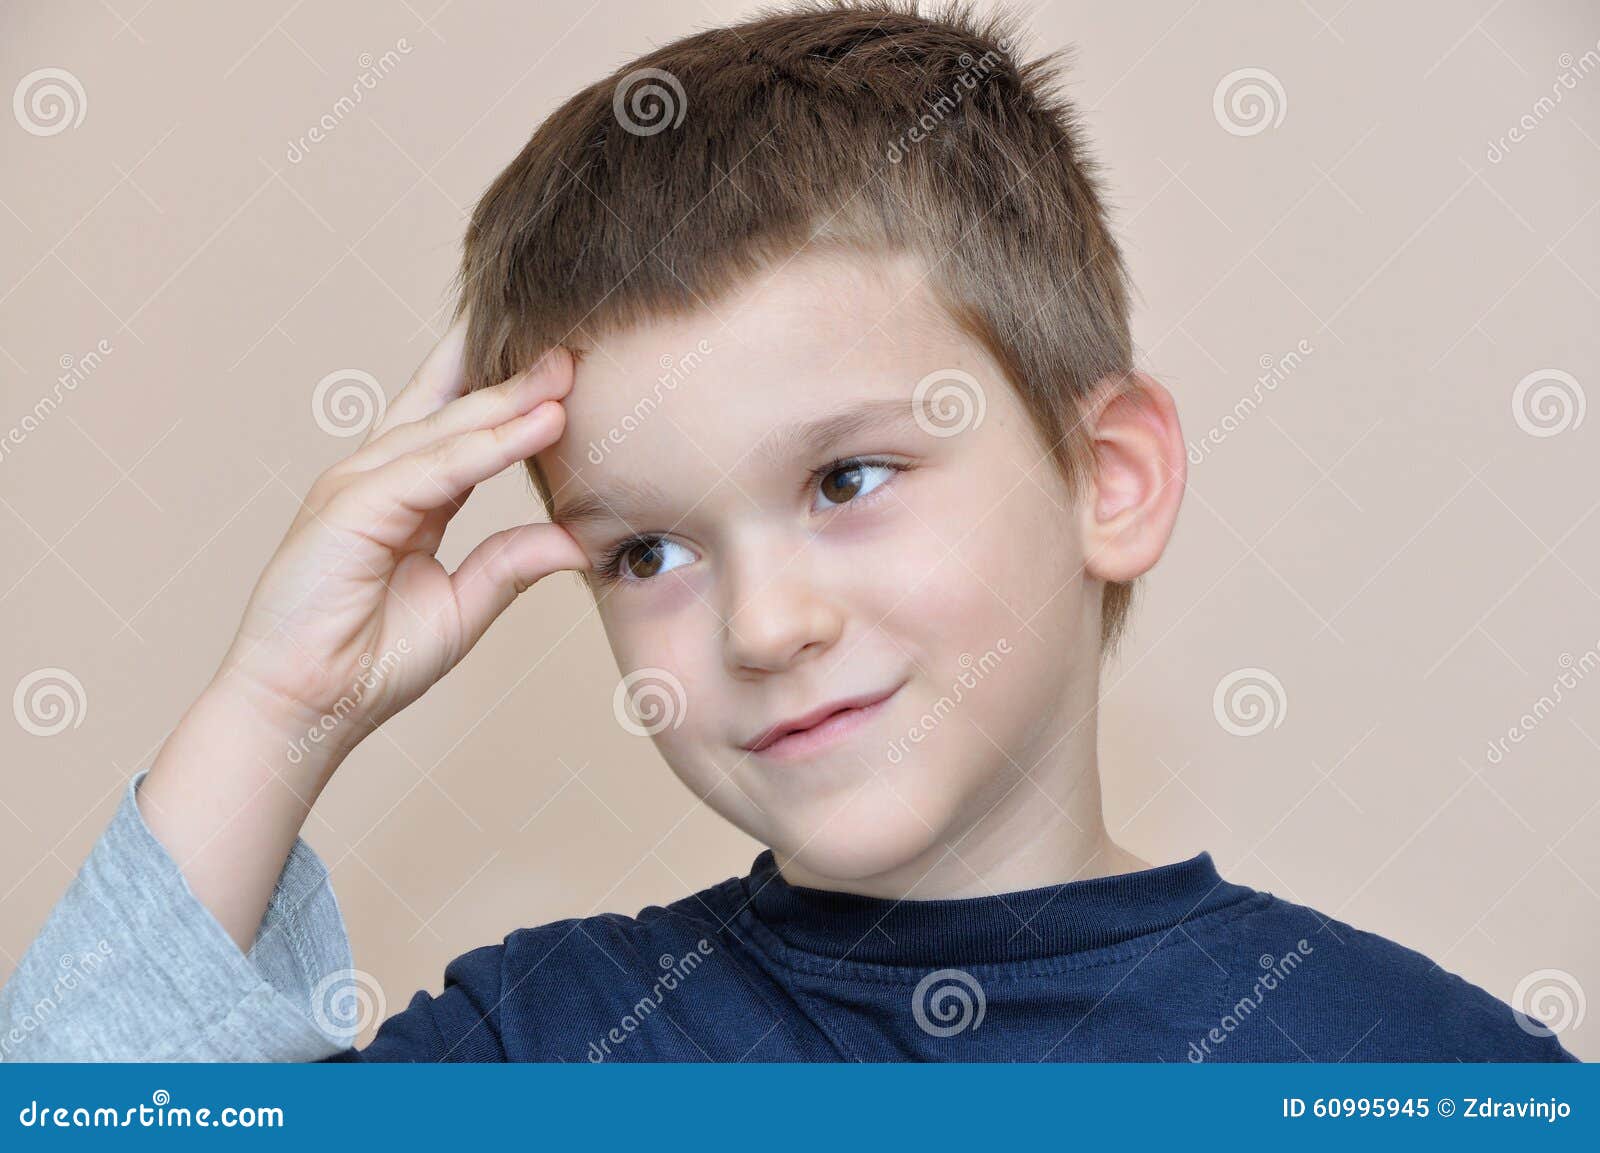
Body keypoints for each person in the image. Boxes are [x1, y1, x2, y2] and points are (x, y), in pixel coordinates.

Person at [0, 0, 1576, 1062]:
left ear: (1108, 477)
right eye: (648, 552)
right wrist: (281, 708)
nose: (762, 625)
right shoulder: (545, 1045)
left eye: (846, 479)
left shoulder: (1414, 1069)